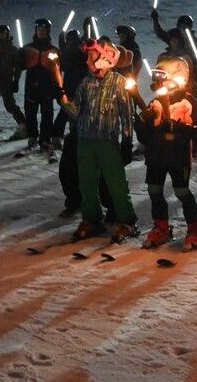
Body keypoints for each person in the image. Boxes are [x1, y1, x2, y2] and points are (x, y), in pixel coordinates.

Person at [58, 39, 138, 242]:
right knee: (86, 183)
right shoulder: (86, 83)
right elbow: (76, 112)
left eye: (91, 57)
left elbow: (128, 115)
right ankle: (92, 218)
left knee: (116, 182)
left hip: (107, 142)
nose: (87, 62)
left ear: (104, 59)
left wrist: (127, 141)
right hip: (85, 140)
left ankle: (126, 220)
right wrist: (65, 101)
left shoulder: (119, 83)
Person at [140, 55, 197, 249]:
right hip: (156, 154)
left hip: (177, 155)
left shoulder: (187, 103)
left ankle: (195, 228)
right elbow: (145, 128)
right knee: (154, 190)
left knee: (181, 191)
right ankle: (160, 227)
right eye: (157, 78)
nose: (159, 82)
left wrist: (179, 130)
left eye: (163, 77)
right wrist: (144, 127)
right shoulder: (156, 103)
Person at [21, 18, 61, 153]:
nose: (41, 32)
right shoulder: (27, 48)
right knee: (30, 113)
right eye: (39, 29)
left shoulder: (53, 50)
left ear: (48, 31)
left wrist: (58, 87)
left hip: (47, 86)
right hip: (31, 85)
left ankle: (45, 139)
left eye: (44, 30)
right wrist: (20, 56)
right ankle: (32, 137)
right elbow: (20, 66)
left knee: (47, 114)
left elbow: (57, 70)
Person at [0, 25, 26, 140]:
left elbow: (18, 67)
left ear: (7, 34)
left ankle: (23, 125)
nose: (1, 36)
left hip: (6, 81)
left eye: (3, 33)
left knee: (9, 105)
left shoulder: (13, 50)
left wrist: (16, 81)